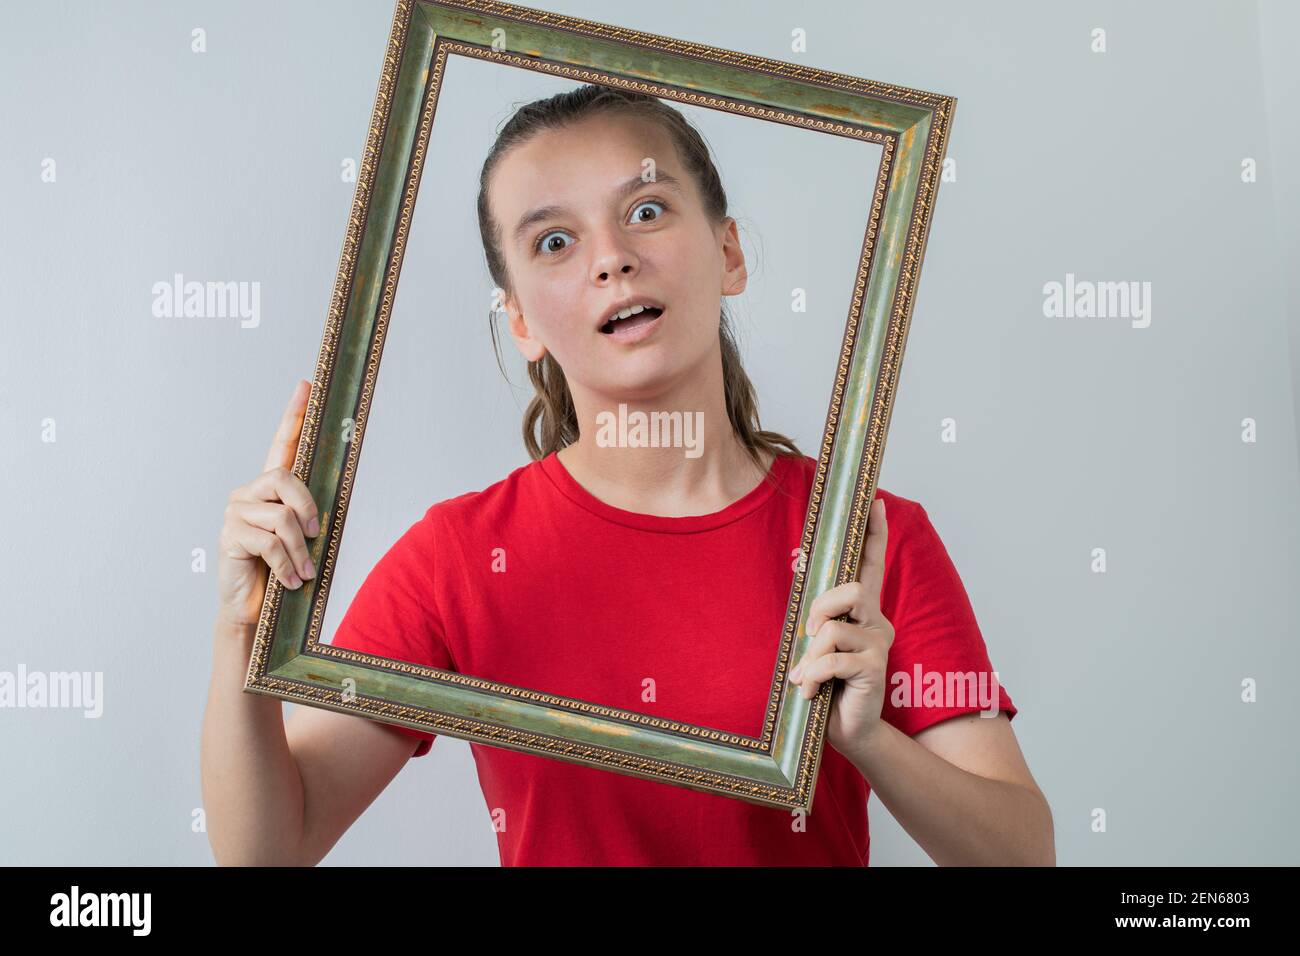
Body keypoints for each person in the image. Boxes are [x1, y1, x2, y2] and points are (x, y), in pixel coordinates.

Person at [201, 85, 1053, 867]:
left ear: (729, 254)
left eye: (646, 210)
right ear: (522, 318)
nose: (611, 259)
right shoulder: (456, 558)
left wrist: (871, 740)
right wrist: (242, 633)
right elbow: (267, 852)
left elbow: (1027, 854)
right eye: (556, 241)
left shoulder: (869, 538)